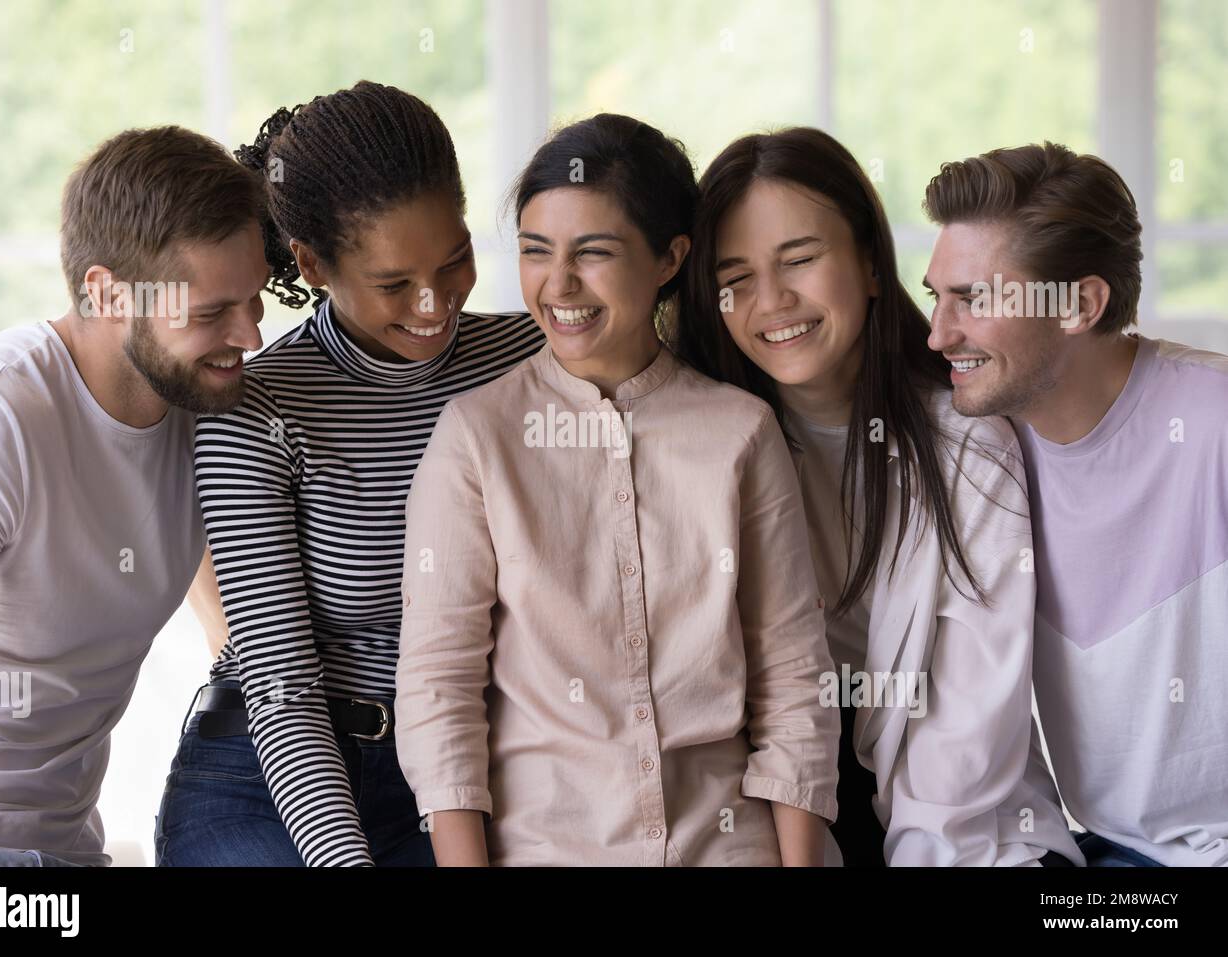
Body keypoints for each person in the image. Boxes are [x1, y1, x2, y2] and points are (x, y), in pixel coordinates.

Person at [395, 114, 839, 867]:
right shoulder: (476, 434)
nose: (559, 284)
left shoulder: (741, 431)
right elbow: (440, 686)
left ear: (670, 257)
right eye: (536, 251)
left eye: (593, 252)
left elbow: (792, 674)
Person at [153, 81, 545, 867]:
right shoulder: (255, 406)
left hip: (461, 770)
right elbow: (282, 689)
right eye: (393, 284)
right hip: (268, 771)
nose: (433, 304)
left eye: (456, 260)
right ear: (311, 264)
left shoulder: (533, 361)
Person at [673, 127, 1083, 866]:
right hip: (784, 801)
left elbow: (966, 736)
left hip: (954, 816)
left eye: (800, 259)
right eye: (737, 276)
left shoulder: (969, 445)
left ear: (869, 263)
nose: (773, 300)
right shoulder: (704, 447)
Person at [0, 125, 267, 867]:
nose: (249, 335)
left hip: (66, 854)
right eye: (211, 312)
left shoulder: (204, 411)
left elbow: (239, 638)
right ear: (108, 293)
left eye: (256, 298)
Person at [924, 141, 1228, 867]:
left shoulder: (1214, 422)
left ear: (1079, 305)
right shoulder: (985, 457)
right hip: (1111, 855)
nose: (938, 334)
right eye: (935, 295)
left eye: (974, 299)